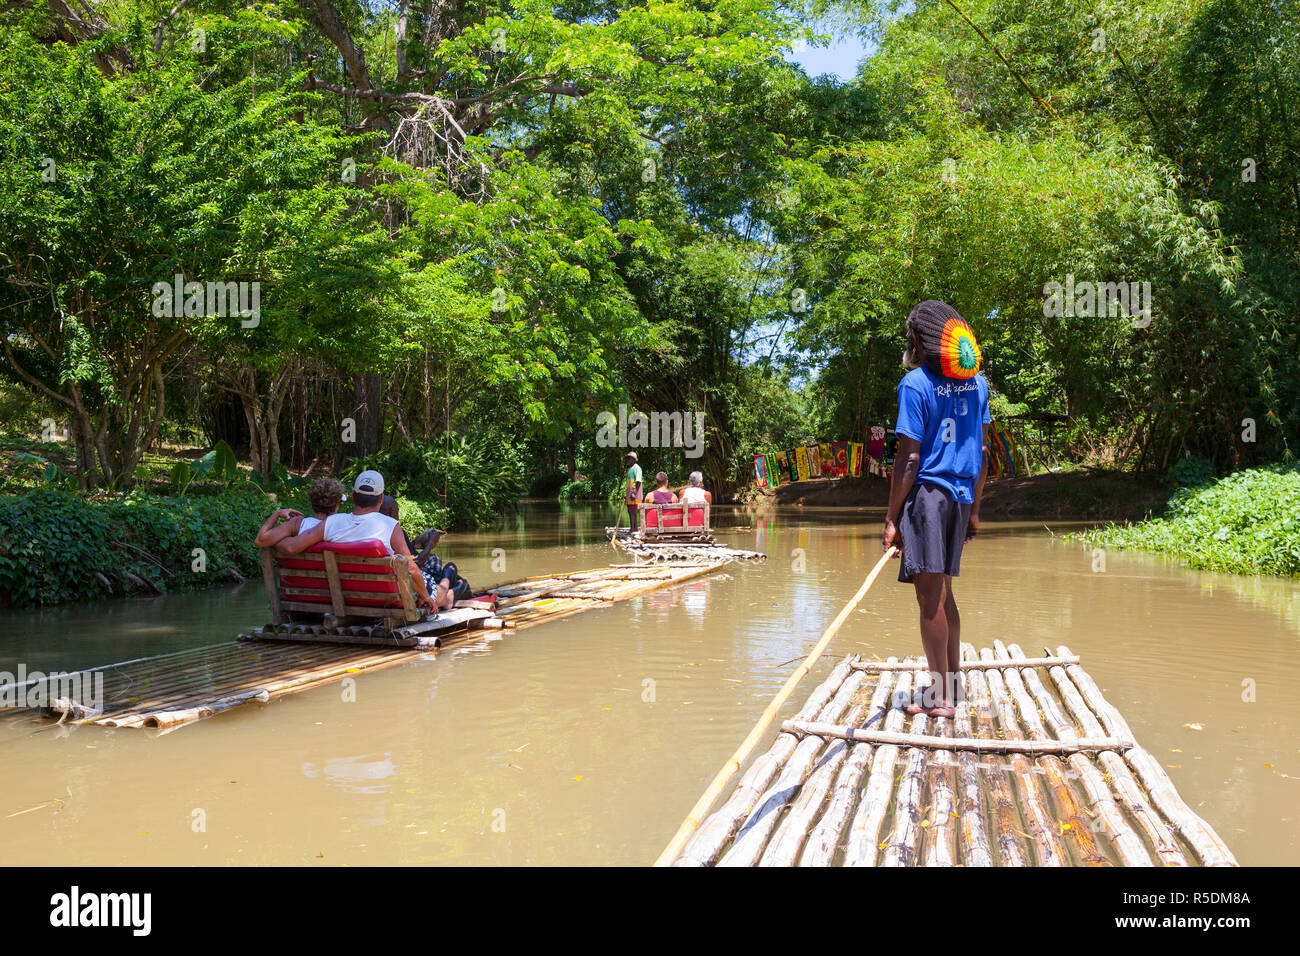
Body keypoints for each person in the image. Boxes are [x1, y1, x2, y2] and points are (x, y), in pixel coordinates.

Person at [882, 300, 990, 718]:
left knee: (931, 599)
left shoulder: (915, 384)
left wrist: (892, 517)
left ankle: (942, 699)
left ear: (920, 340)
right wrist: (975, 510)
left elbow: (909, 460)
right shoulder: (977, 384)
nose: (908, 342)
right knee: (944, 594)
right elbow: (980, 451)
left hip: (928, 498)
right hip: (961, 496)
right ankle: (952, 686)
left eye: (909, 335)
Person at [279, 470, 437, 612]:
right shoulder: (390, 526)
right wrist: (426, 596)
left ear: (353, 495)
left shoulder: (331, 522)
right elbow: (411, 569)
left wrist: (269, 542)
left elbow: (292, 547)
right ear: (381, 498)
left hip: (344, 599)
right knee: (442, 589)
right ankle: (448, 592)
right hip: (386, 601)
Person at [378, 494, 470, 610]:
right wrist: (430, 543)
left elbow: (406, 556)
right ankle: (448, 598)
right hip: (407, 590)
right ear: (391, 512)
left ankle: (447, 590)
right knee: (456, 575)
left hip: (383, 590)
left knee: (437, 561)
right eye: (397, 512)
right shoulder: (395, 530)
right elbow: (414, 566)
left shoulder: (369, 531)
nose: (398, 516)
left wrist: (414, 544)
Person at [254, 478, 345, 550]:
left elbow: (260, 541)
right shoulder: (345, 527)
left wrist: (277, 513)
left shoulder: (296, 524)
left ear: (311, 501)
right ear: (336, 505)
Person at [624, 452, 643, 530]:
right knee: (630, 510)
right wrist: (627, 494)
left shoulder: (637, 468)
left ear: (633, 459)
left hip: (634, 494)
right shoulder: (630, 469)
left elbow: (638, 481)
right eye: (627, 458)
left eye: (629, 458)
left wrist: (634, 493)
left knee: (632, 511)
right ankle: (633, 528)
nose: (627, 460)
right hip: (630, 494)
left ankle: (633, 529)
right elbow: (629, 484)